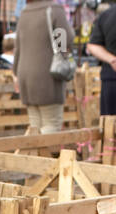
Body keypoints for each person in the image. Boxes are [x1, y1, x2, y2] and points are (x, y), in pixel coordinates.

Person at [12, 0, 71, 133]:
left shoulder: (25, 12)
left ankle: (28, 151)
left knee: (35, 125)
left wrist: (15, 73)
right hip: (48, 74)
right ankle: (26, 151)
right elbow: (65, 39)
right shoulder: (54, 10)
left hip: (25, 74)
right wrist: (64, 54)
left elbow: (18, 48)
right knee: (52, 123)